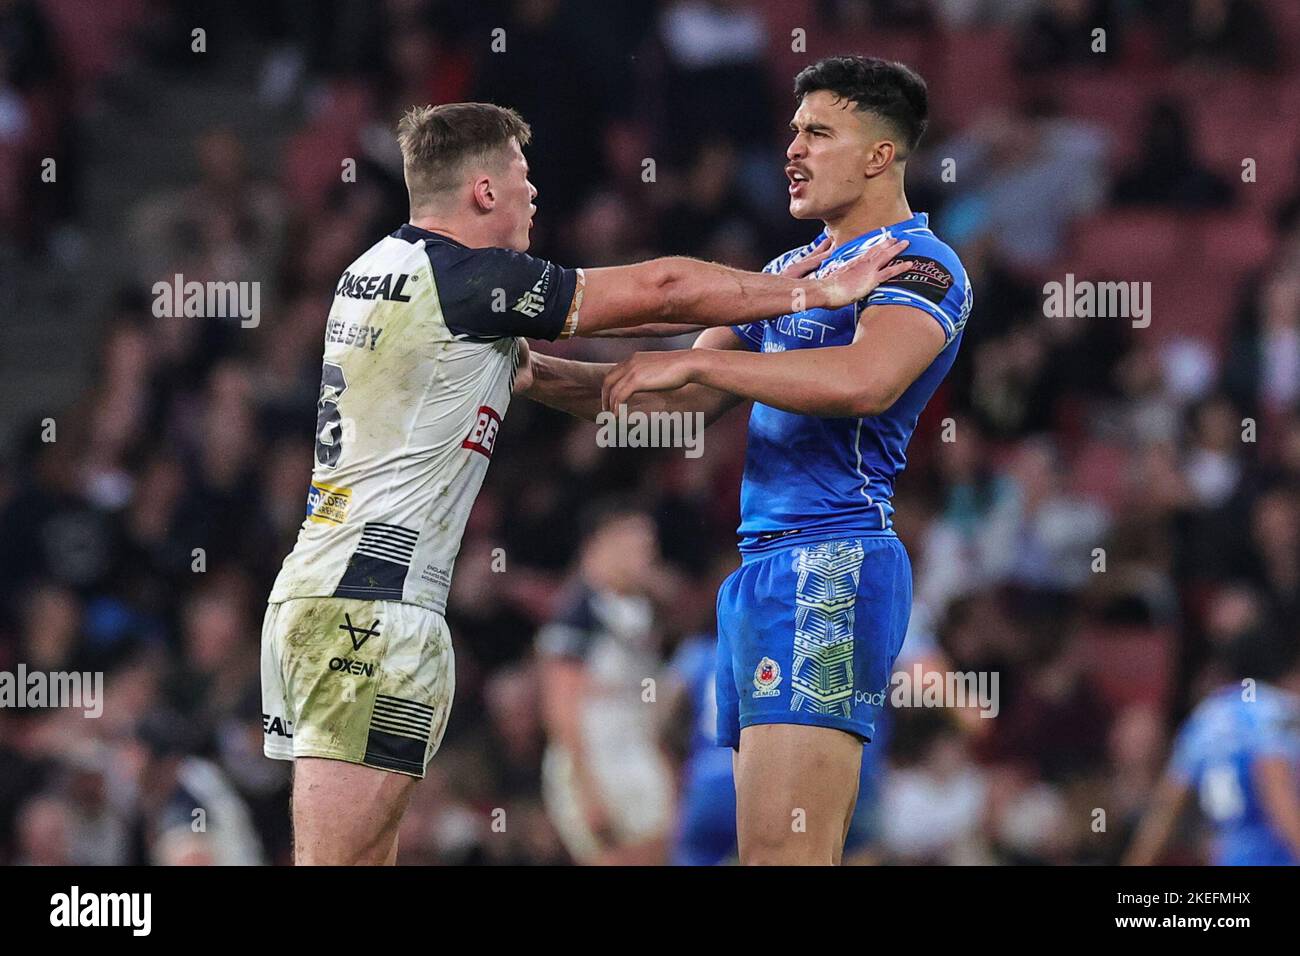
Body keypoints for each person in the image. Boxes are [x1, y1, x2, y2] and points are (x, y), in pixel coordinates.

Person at [260, 101, 911, 865]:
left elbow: (538, 373)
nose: (534, 193)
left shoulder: (376, 272)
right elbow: (661, 289)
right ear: (483, 189)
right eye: (521, 175)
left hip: (342, 596)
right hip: (371, 608)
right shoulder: (465, 279)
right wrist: (811, 294)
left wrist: (657, 373)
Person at [522, 56, 972, 864]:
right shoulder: (790, 275)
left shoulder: (920, 265)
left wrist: (703, 361)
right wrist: (528, 372)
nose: (792, 149)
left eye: (818, 132)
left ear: (880, 154)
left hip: (835, 562)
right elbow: (670, 402)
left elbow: (864, 382)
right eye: (793, 130)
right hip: (764, 572)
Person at [1124, 646, 1300, 866]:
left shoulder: (1203, 718)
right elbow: (1278, 796)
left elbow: (1164, 811)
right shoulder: (1272, 711)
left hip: (1230, 857)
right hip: (1276, 856)